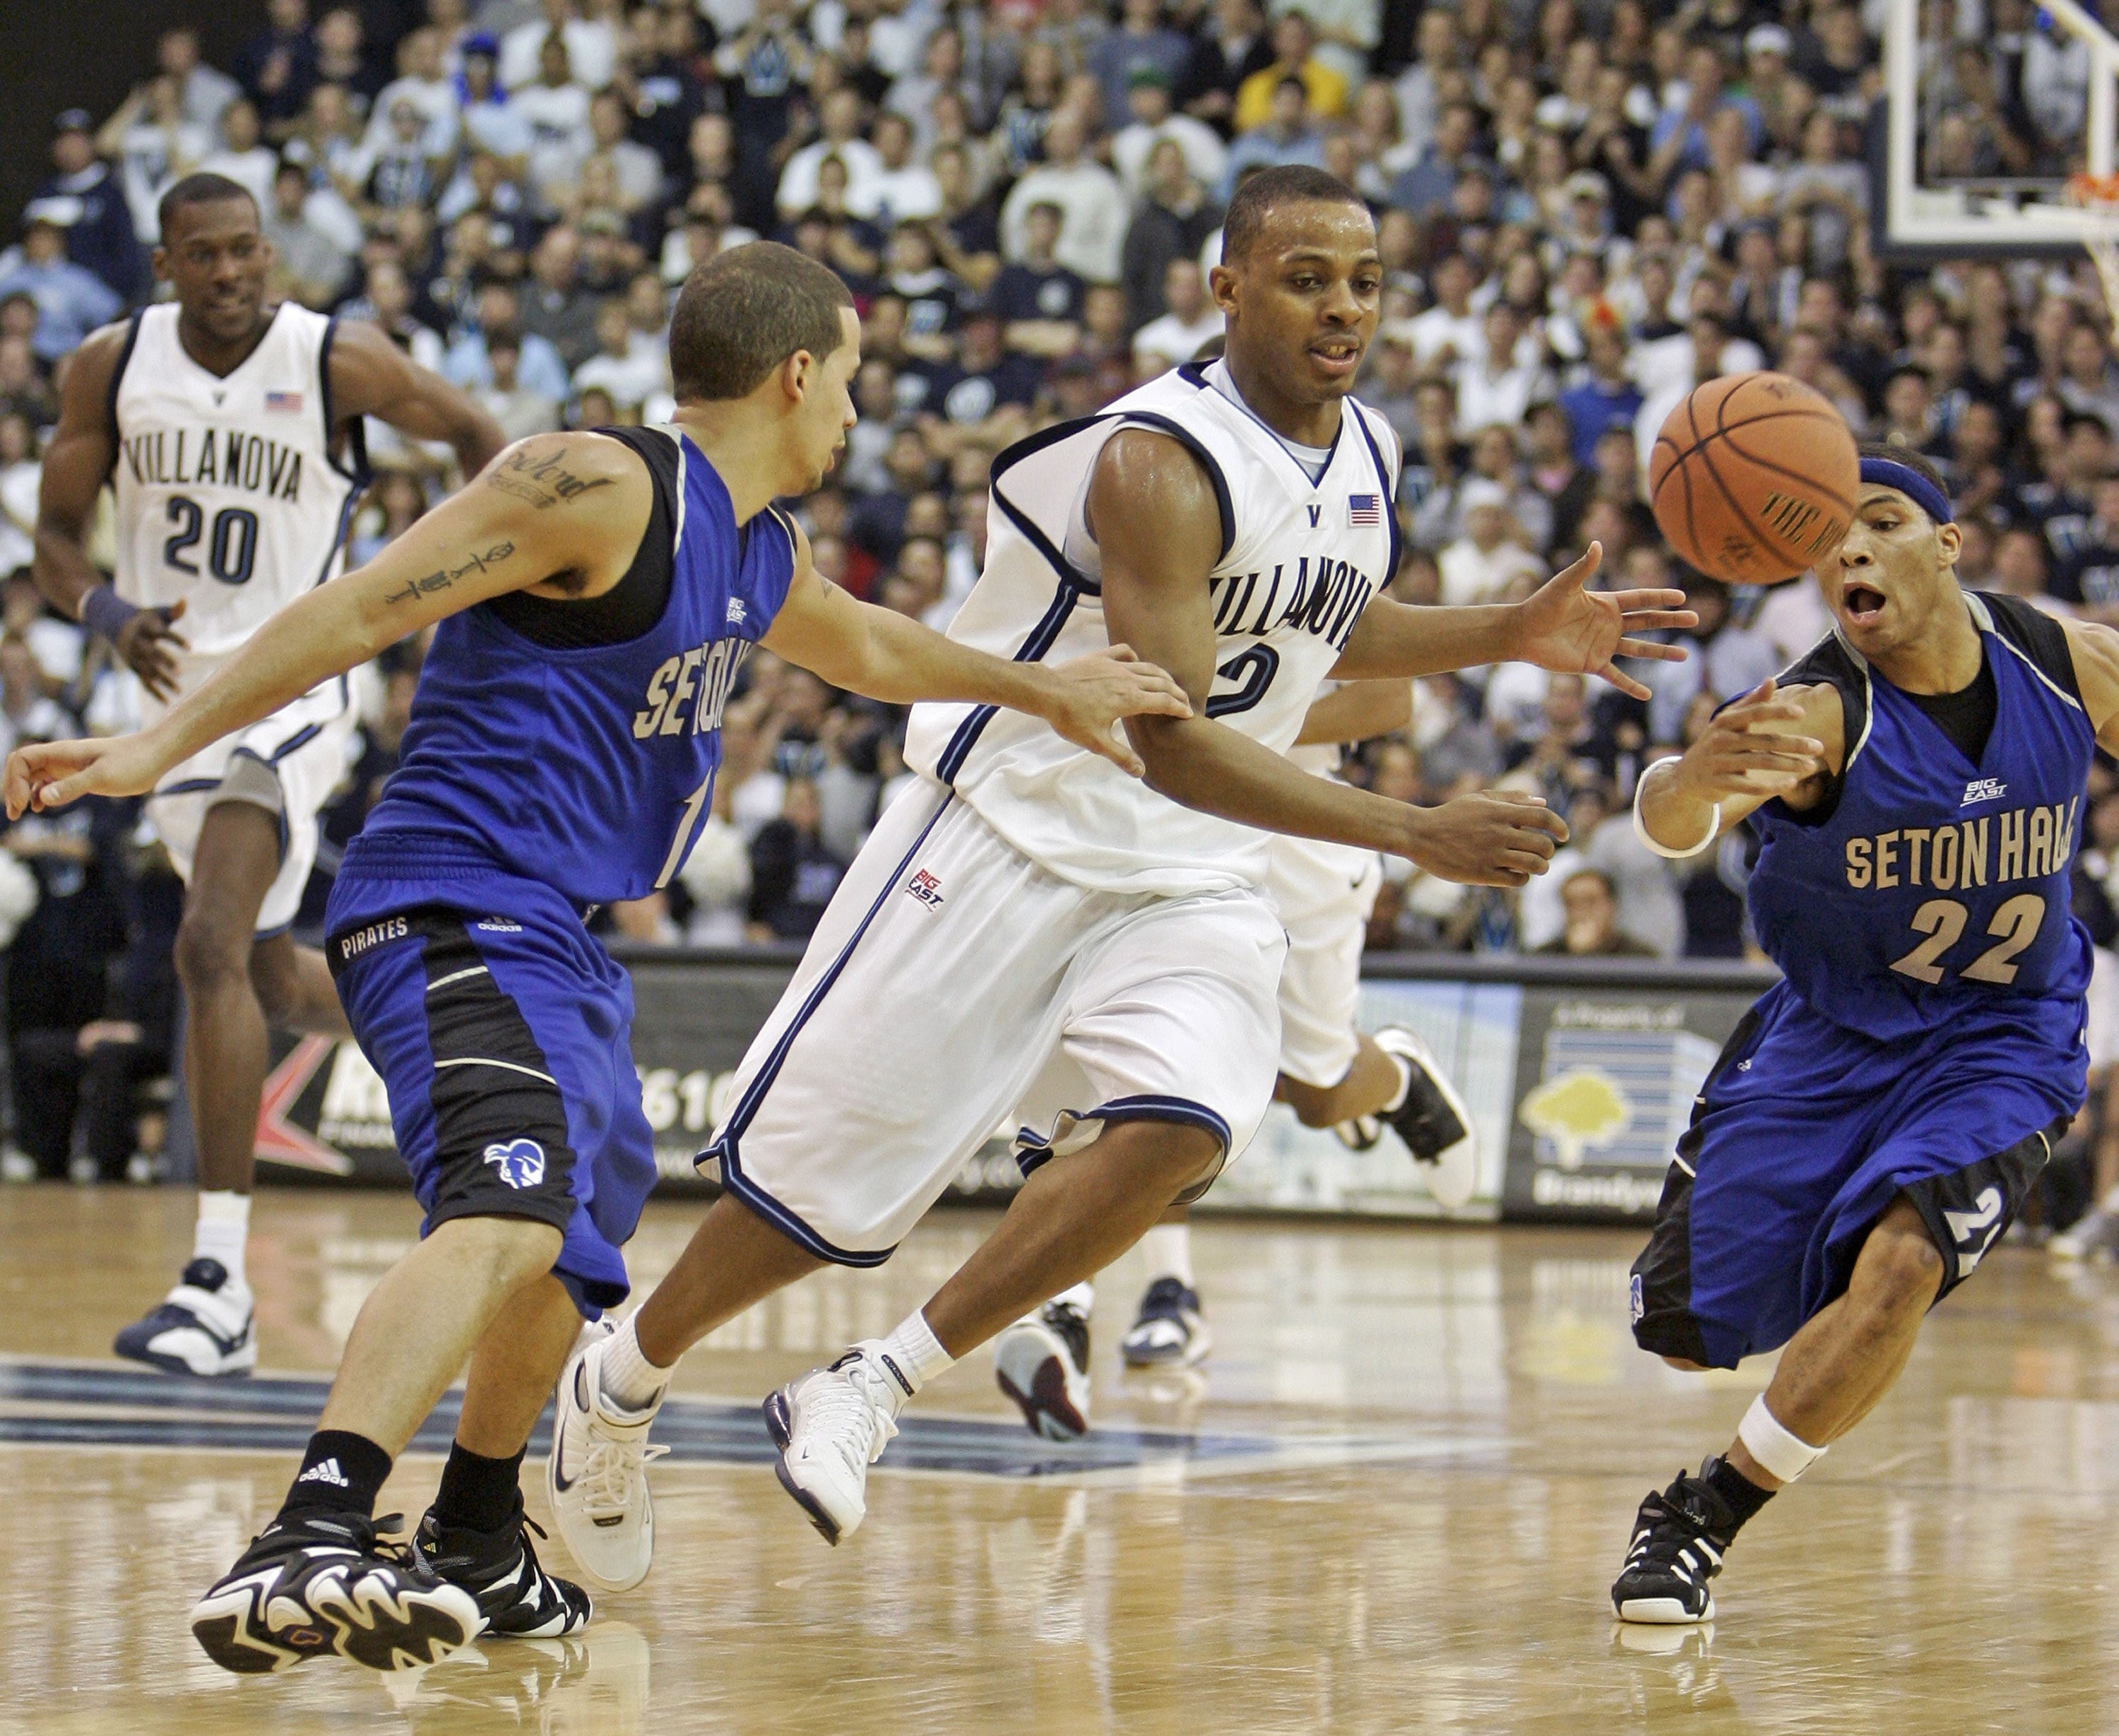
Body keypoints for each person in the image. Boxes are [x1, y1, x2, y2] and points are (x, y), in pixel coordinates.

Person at [7, 239, 1188, 1675]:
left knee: (586, 1225)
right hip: (447, 897)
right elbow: (363, 604)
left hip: (560, 937)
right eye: (854, 386)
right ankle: (311, 1520)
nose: (859, 420)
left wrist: (1039, 686)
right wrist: (150, 748)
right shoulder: (597, 482)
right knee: (505, 1197)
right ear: (798, 371)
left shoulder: (757, 545)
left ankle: (479, 1532)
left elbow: (869, 648)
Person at [545, 167, 1691, 1570]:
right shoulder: (1155, 460)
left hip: (1189, 875)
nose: (1343, 306)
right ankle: (623, 1379)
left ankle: (873, 1379)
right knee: (808, 1209)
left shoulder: (1367, 450)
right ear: (1225, 287)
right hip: (1015, 833)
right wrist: (1412, 827)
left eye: (1365, 279)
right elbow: (1179, 743)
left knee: (1188, 1125)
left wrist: (1511, 626)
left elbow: (1331, 622)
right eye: (1304, 276)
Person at [1614, 446, 2119, 1625]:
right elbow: (1669, 820)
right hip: (1830, 1040)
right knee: (1688, 1338)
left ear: (1947, 547)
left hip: (2003, 1034)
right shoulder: (1816, 709)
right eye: (1827, 533)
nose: (1848, 545)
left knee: (1904, 1262)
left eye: (1880, 521)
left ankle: (1700, 1515)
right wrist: (1688, 776)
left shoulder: (2063, 663)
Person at [32, 172, 504, 1380]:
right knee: (265, 975)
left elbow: (479, 439)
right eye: (208, 255)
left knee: (203, 943)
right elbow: (53, 538)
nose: (234, 273)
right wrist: (107, 609)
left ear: (271, 253)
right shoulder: (108, 366)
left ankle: (218, 1284)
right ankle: (474, 1029)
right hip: (171, 705)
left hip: (297, 689)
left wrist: (434, 583)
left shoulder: (335, 358)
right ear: (165, 265)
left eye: (250, 251)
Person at [992, 677, 1483, 1437]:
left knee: (1319, 1090)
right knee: (1140, 1064)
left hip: (1297, 822)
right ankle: (1119, 1299)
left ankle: (1395, 1079)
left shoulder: (1324, 557)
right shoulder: (1129, 566)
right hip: (1156, 814)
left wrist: (1232, 726)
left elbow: (1387, 701)